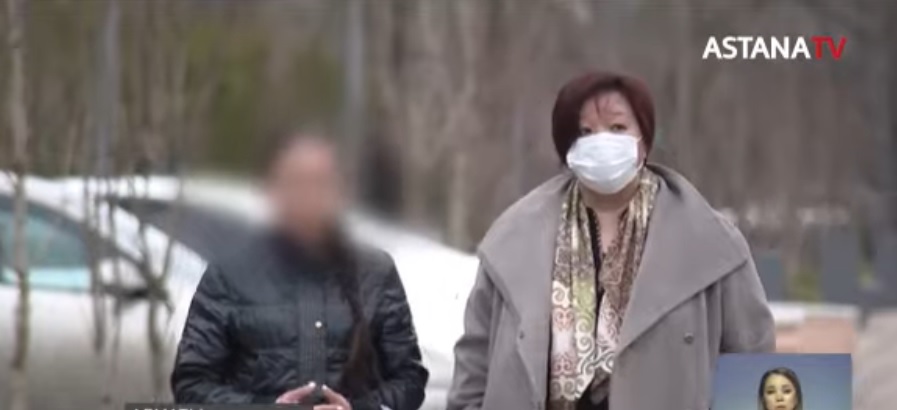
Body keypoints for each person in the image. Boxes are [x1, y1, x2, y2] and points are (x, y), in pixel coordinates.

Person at [447, 70, 775, 410]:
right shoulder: (514, 239)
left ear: (644, 140)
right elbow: (473, 369)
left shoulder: (711, 243)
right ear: (567, 148)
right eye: (585, 132)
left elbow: (754, 368)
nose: (601, 142)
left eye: (618, 128)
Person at [170, 134, 428, 409]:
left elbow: (409, 380)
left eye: (321, 183)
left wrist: (357, 408)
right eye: (296, 183)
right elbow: (192, 384)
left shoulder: (375, 273)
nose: (309, 197)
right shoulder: (230, 274)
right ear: (274, 191)